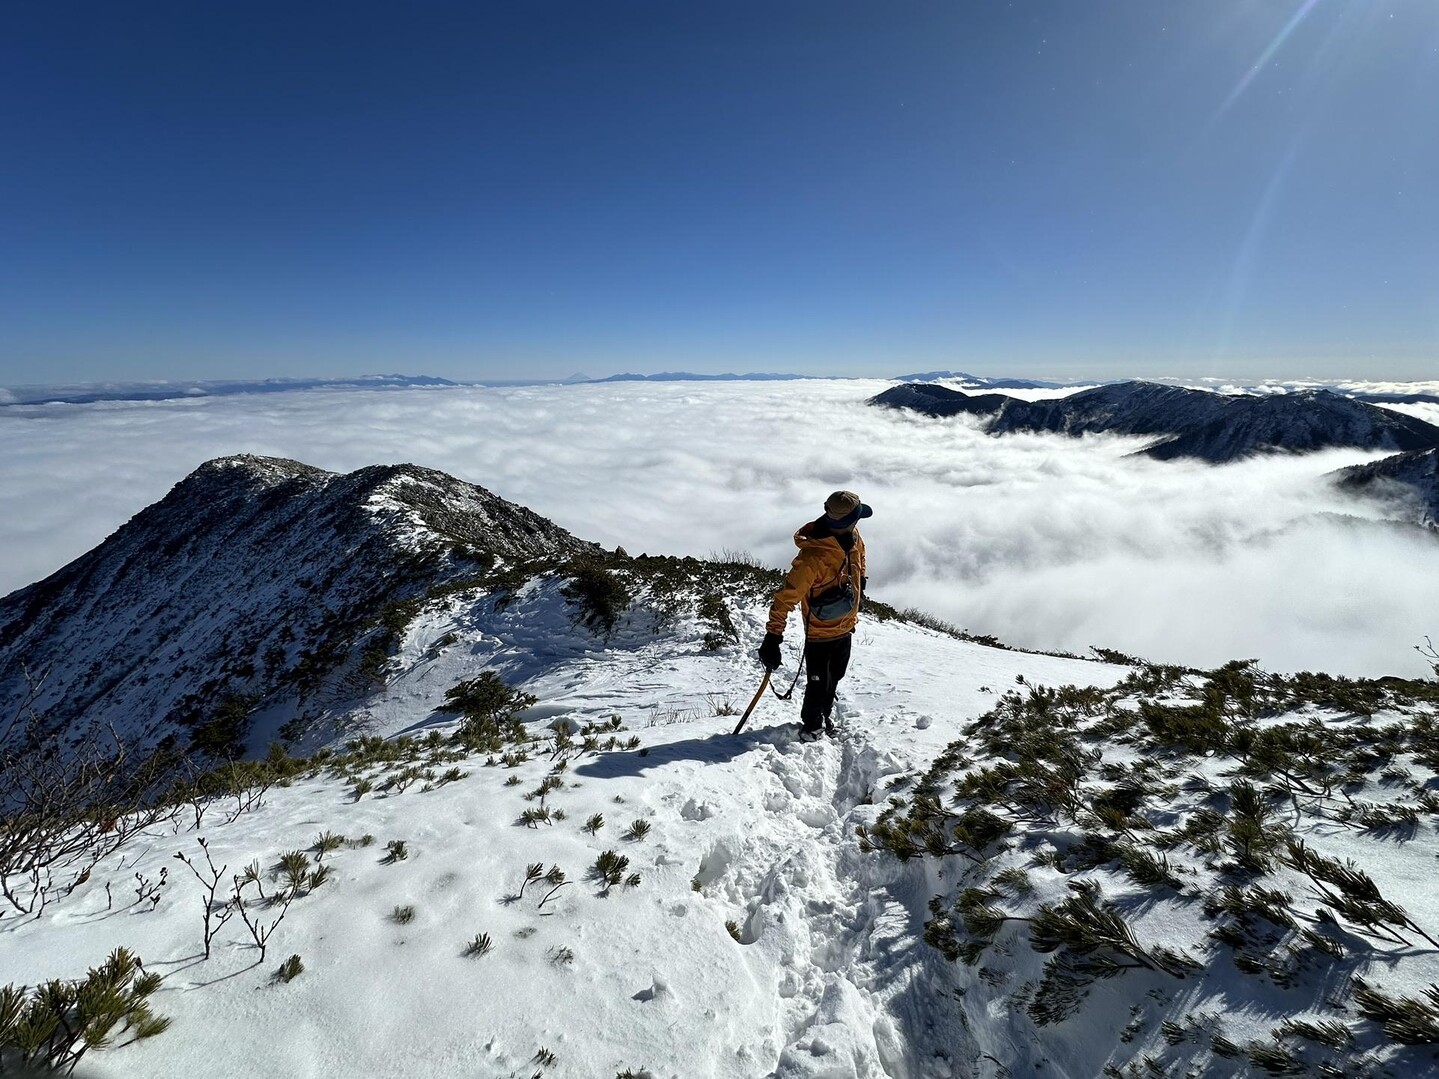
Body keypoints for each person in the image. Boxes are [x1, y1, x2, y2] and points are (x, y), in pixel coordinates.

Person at [758, 490, 870, 741]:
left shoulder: (853, 536)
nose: (859, 522)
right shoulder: (813, 557)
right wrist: (773, 637)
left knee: (835, 677)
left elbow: (860, 556)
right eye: (856, 517)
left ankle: (826, 713)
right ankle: (811, 725)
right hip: (819, 633)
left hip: (846, 626)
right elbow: (786, 597)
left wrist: (861, 583)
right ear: (846, 520)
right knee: (818, 683)